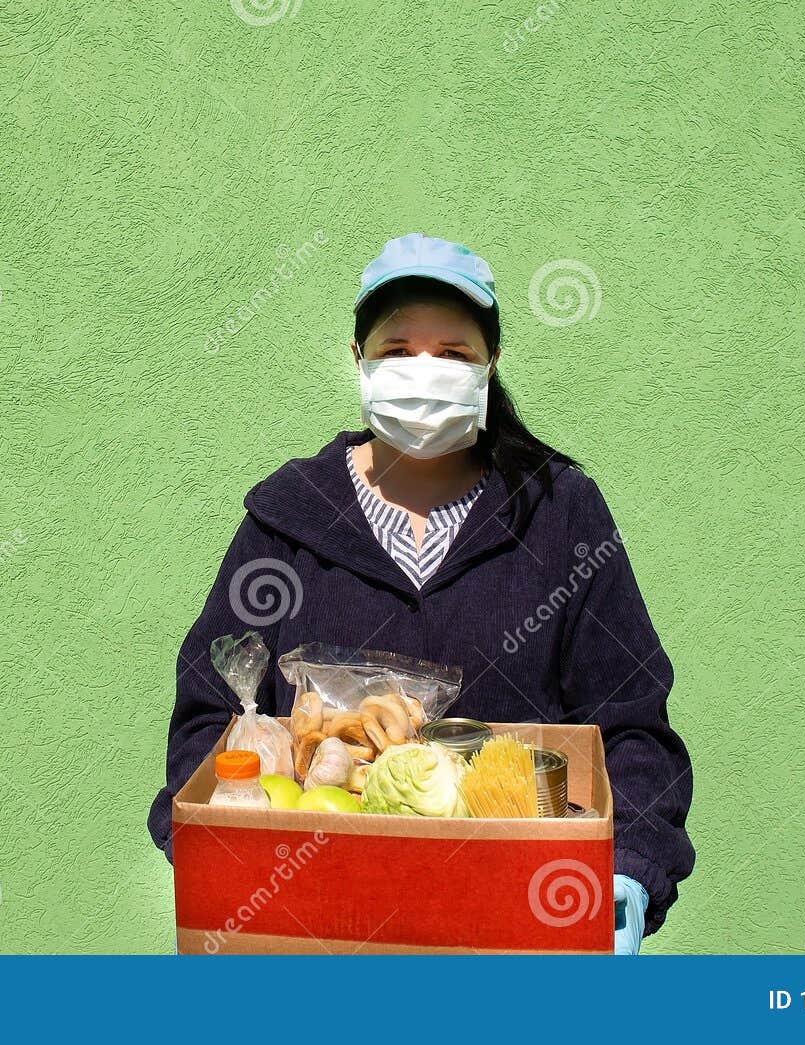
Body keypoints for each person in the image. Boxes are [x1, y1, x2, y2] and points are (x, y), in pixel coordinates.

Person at [148, 233, 694, 951]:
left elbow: (631, 726)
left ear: (491, 366)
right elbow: (207, 722)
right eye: (398, 350)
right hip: (316, 928)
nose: (424, 370)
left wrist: (627, 873)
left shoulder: (558, 513)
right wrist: (233, 849)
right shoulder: (289, 519)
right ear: (359, 359)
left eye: (455, 353)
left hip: (514, 927)